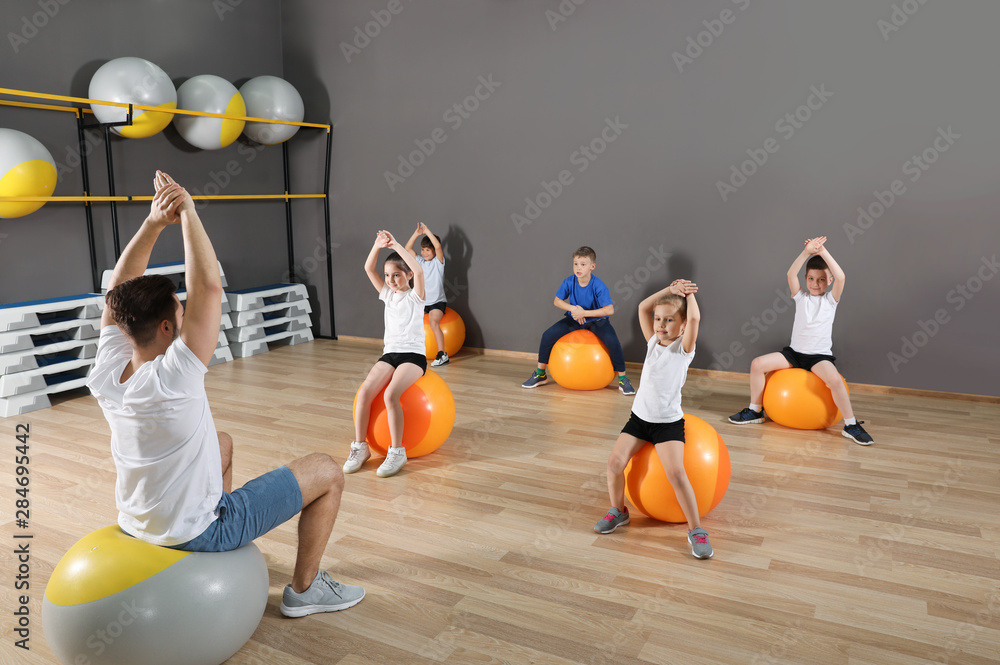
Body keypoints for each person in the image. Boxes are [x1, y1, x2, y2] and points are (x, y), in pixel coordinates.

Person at [87, 171, 364, 618]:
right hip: (191, 534)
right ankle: (305, 590)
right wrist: (189, 211)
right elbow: (209, 289)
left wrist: (155, 223)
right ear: (164, 328)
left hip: (137, 522)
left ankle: (218, 534)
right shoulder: (174, 375)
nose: (185, 312)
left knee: (223, 445)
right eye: (179, 312)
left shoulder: (107, 371)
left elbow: (116, 293)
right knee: (327, 471)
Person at [594, 279, 713, 559]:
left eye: (669, 320)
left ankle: (696, 529)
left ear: (682, 327)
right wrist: (670, 290)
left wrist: (689, 295)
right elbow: (642, 307)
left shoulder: (683, 350)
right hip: (639, 419)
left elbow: (694, 316)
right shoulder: (652, 342)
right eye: (658, 319)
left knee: (676, 473)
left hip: (668, 424)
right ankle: (618, 511)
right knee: (614, 464)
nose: (661, 324)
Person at [728, 236, 874, 445]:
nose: (816, 284)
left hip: (819, 357)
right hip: (794, 354)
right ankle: (755, 411)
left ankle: (851, 424)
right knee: (757, 364)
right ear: (806, 278)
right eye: (811, 279)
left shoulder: (831, 301)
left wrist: (822, 251)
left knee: (834, 380)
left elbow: (841, 277)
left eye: (822, 279)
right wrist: (806, 253)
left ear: (829, 281)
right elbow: (790, 273)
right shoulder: (800, 297)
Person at [344, 230, 427, 478]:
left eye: (397, 275)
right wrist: (378, 245)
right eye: (388, 275)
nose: (390, 280)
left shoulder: (416, 296)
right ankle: (360, 447)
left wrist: (398, 245)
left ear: (409, 275)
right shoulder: (387, 295)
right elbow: (369, 269)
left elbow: (420, 271)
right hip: (390, 354)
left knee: (391, 394)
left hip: (413, 356)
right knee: (365, 392)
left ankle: (397, 451)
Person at [521, 246, 634, 394]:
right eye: (575, 264)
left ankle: (623, 379)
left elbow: (609, 310)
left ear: (592, 266)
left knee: (613, 342)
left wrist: (584, 313)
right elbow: (557, 301)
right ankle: (540, 374)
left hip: (597, 321)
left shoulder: (598, 285)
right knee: (547, 335)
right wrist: (574, 310)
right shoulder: (569, 281)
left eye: (583, 264)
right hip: (574, 319)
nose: (578, 268)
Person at [404, 222, 449, 367]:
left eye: (428, 250)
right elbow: (407, 249)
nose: (424, 253)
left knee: (433, 322)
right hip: (422, 302)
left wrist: (427, 231)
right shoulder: (420, 261)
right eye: (423, 249)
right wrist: (417, 234)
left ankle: (442, 354)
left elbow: (438, 247)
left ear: (434, 252)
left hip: (437, 302)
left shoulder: (438, 262)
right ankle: (408, 352)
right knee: (408, 319)